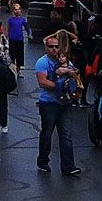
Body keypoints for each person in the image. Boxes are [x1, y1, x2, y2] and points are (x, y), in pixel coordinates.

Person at [35, 35, 81, 175]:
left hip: (64, 103)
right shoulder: (42, 62)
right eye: (51, 47)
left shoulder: (65, 61)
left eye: (56, 46)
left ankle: (68, 166)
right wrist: (60, 86)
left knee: (66, 135)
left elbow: (76, 75)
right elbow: (42, 82)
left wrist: (69, 72)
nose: (54, 49)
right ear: (46, 48)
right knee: (47, 134)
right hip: (48, 104)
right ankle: (43, 161)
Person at [6, 2, 31, 77]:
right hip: (12, 39)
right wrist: (6, 36)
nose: (17, 11)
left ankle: (18, 70)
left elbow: (27, 27)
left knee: (20, 55)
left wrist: (29, 34)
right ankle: (12, 70)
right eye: (15, 10)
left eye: (18, 9)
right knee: (12, 55)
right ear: (12, 11)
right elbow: (8, 28)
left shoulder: (22, 20)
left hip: (19, 40)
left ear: (20, 10)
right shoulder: (10, 20)